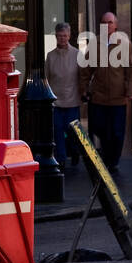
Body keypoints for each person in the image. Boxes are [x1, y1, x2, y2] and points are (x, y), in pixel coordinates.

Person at [79, 12, 132, 173]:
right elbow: (86, 70)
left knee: (117, 132)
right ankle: (106, 156)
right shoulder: (94, 44)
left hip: (118, 97)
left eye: (110, 22)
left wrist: (131, 91)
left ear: (116, 25)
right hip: (99, 96)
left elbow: (131, 69)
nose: (107, 25)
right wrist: (84, 89)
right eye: (104, 22)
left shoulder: (124, 43)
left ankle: (114, 160)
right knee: (100, 128)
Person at [44, 22, 81, 170]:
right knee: (58, 130)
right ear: (55, 37)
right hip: (56, 101)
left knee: (71, 131)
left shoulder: (77, 54)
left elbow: (82, 77)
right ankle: (61, 159)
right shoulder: (51, 56)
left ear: (69, 36)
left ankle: (75, 152)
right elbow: (46, 78)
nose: (62, 39)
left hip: (72, 100)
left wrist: (84, 92)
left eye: (65, 36)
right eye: (59, 36)